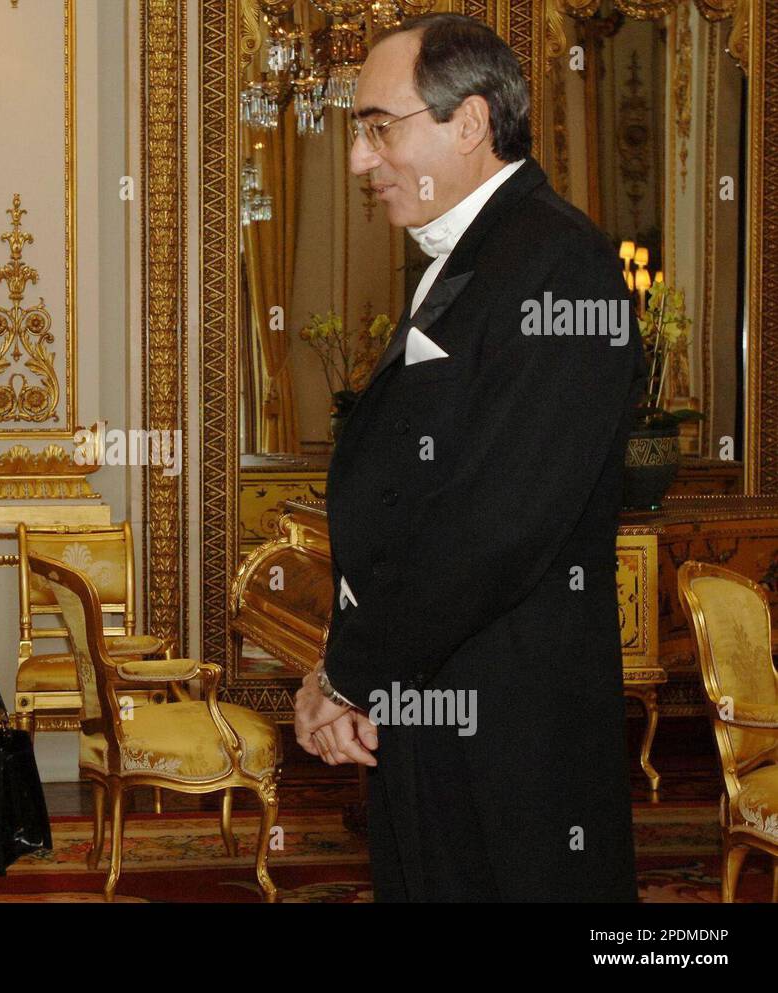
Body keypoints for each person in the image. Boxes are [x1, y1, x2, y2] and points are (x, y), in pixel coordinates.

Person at [293, 14, 643, 902]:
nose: (360, 160)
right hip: (436, 709)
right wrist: (358, 668)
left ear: (471, 122)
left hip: (514, 738)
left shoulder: (562, 264)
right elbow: (419, 496)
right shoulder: (476, 259)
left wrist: (350, 670)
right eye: (357, 132)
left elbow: (495, 522)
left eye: (379, 126)